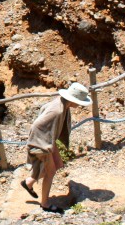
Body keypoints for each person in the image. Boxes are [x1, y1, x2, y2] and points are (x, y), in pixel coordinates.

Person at [20, 82, 91, 213]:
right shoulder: (57, 111)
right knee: (51, 171)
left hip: (48, 140)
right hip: (41, 143)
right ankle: (45, 204)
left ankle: (28, 182)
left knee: (58, 164)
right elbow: (36, 125)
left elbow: (43, 111)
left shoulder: (62, 104)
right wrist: (43, 145)